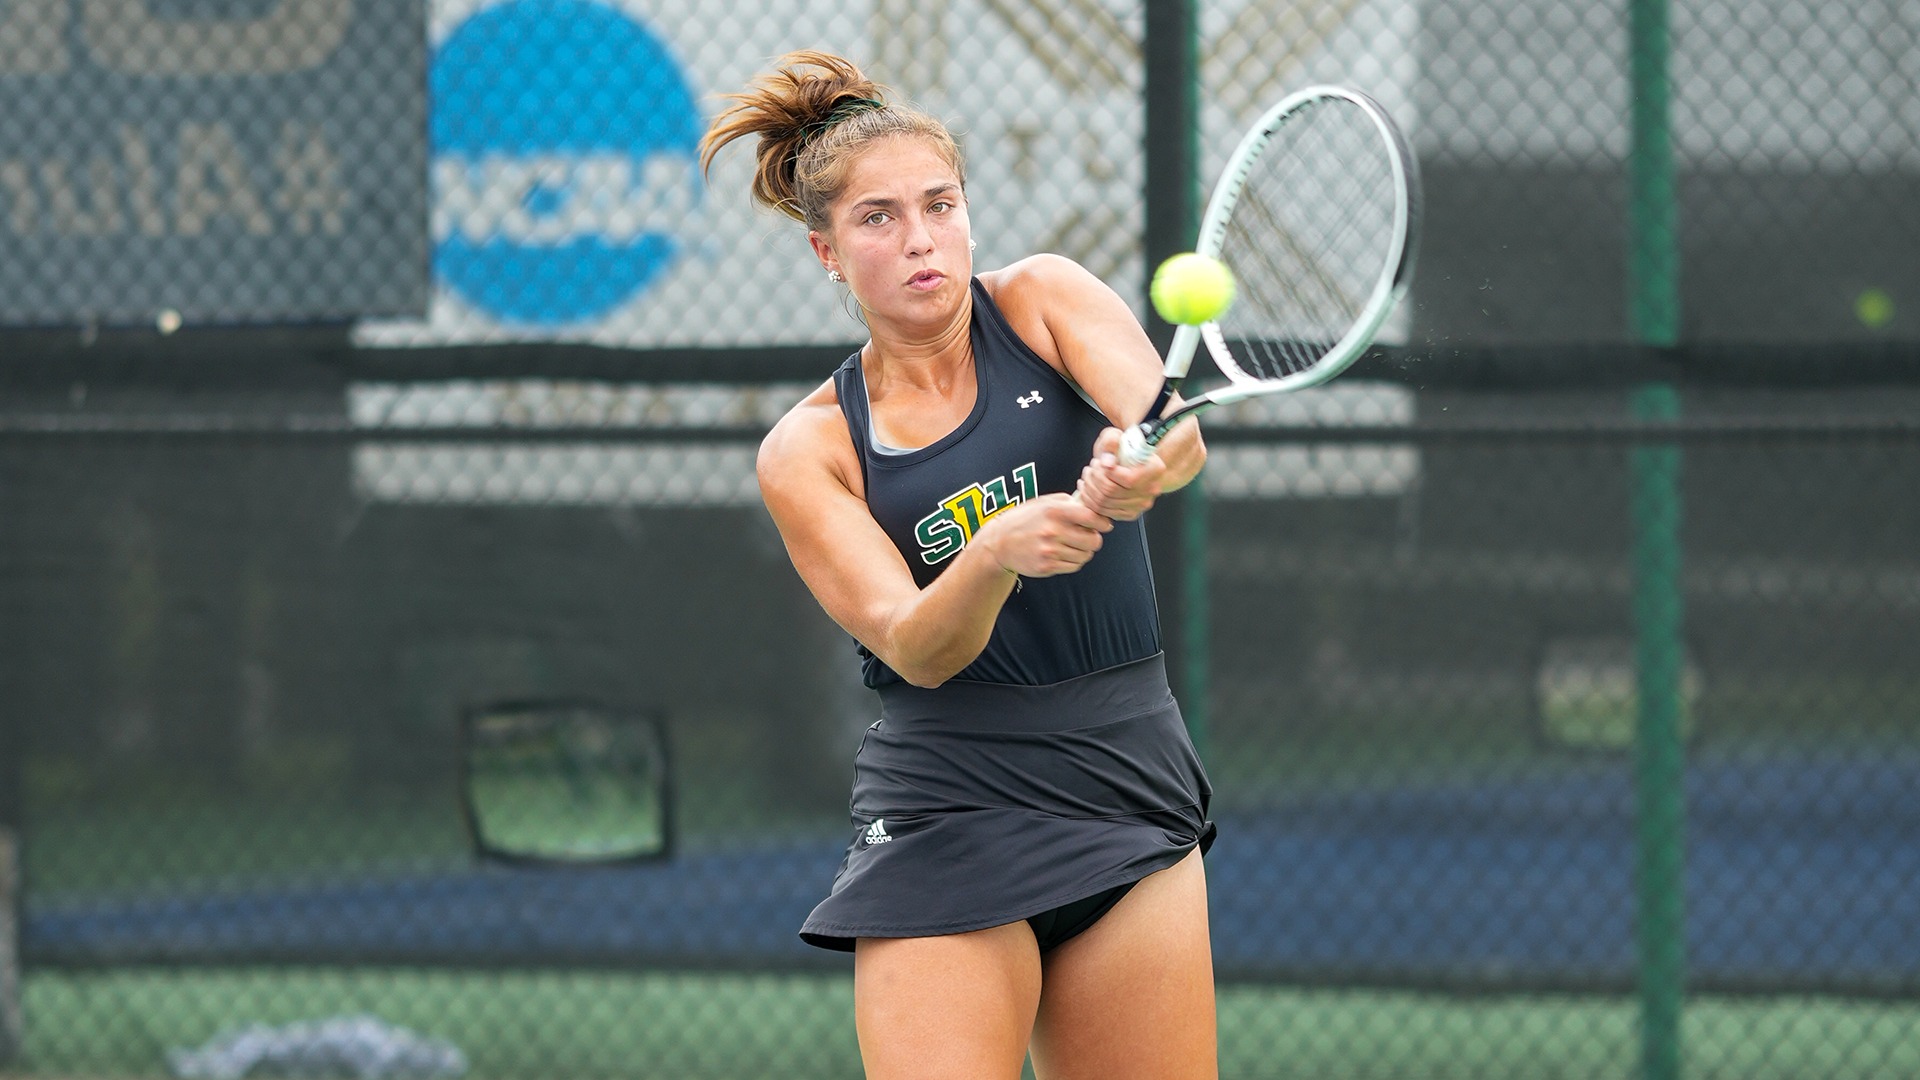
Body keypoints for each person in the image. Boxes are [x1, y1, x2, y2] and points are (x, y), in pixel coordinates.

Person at [700, 51, 1217, 1080]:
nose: (920, 239)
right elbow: (913, 647)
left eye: (940, 204)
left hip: (1129, 777)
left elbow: (1177, 437)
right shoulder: (810, 451)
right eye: (878, 218)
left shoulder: (1044, 300)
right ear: (828, 254)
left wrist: (1136, 463)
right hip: (951, 801)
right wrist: (991, 553)